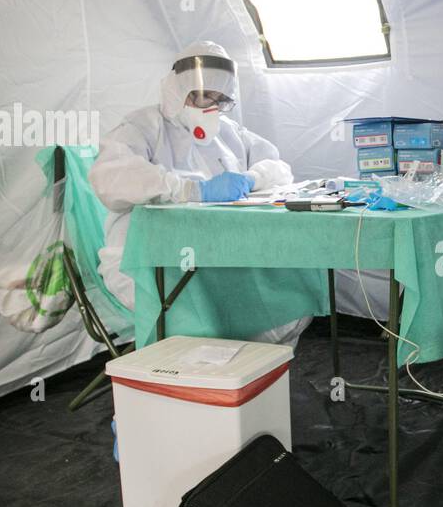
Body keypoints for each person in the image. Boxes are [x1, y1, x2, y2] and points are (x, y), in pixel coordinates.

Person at [89, 40, 308, 345]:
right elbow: (111, 179)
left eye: (220, 99)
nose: (211, 107)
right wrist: (191, 189)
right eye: (203, 96)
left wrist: (251, 178)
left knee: (284, 286)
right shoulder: (144, 125)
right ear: (178, 90)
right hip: (146, 257)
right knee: (211, 308)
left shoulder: (228, 133)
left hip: (216, 252)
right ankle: (204, 381)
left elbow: (279, 168)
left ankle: (249, 379)